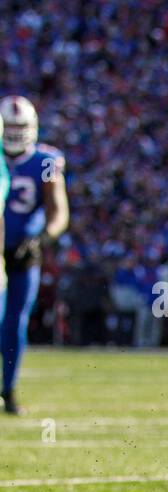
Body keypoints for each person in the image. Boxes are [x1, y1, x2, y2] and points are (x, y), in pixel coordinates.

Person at [2, 96, 69, 415]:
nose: (15, 133)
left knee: (16, 322)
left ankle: (8, 389)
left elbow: (59, 213)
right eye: (10, 127)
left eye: (20, 127)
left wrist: (40, 240)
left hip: (24, 252)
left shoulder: (45, 160)